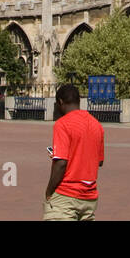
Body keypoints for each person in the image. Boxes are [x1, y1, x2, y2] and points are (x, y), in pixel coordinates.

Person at [43, 84, 105, 220]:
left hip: (66, 196)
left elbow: (61, 163)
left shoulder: (63, 124)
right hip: (89, 197)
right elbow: (99, 161)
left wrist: (49, 191)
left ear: (60, 102)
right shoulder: (97, 125)